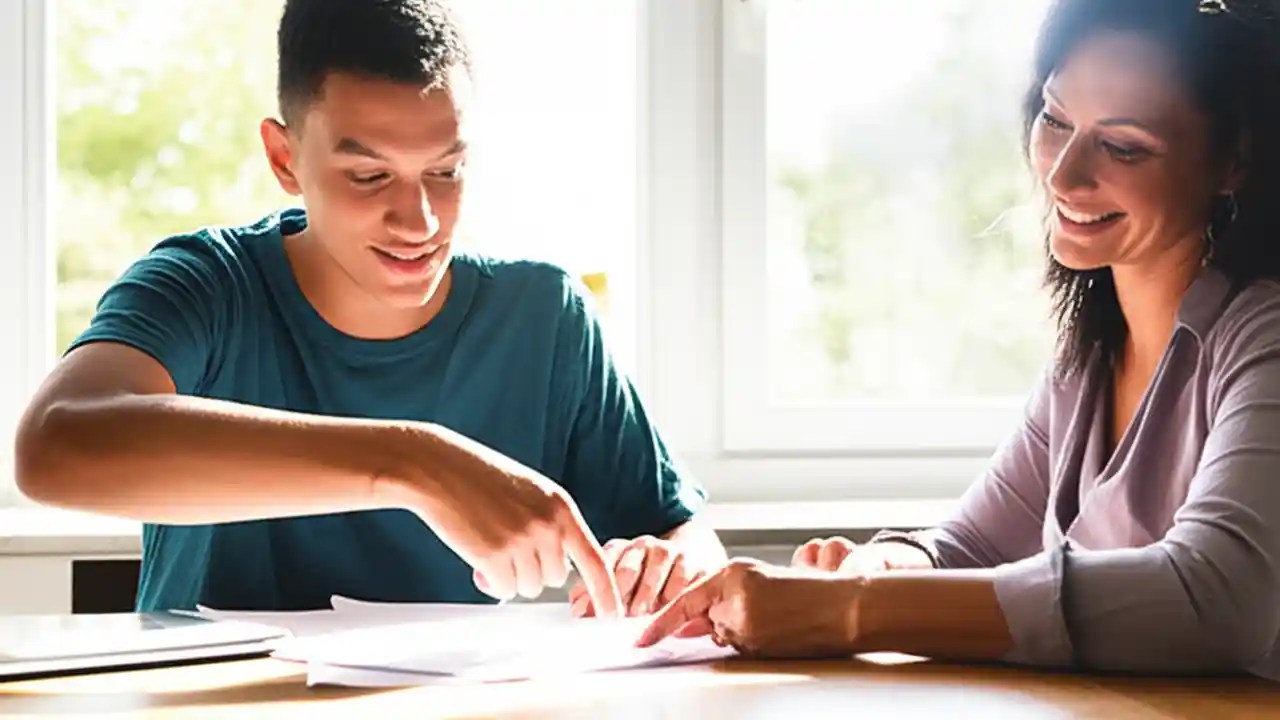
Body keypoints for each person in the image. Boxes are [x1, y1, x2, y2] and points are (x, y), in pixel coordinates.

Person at [15, 0, 725, 616]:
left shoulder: (543, 316)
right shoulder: (206, 285)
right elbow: (53, 448)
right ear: (285, 158)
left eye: (445, 172)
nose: (418, 220)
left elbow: (683, 532)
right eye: (369, 175)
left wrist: (670, 567)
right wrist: (415, 463)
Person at [641, 0, 1280, 679]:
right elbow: (970, 544)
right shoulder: (1090, 357)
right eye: (1055, 119)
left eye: (1122, 147)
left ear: (1233, 161)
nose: (1062, 175)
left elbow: (1216, 601)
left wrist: (856, 610)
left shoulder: (1262, 339)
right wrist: (886, 566)